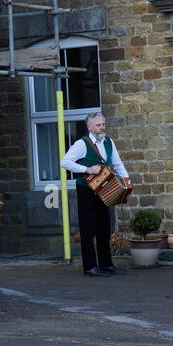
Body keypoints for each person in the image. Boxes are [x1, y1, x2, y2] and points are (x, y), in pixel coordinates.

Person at [60, 112, 129, 277]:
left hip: (104, 188)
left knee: (104, 227)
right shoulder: (81, 144)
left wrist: (127, 180)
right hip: (86, 189)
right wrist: (87, 169)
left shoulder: (109, 142)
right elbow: (64, 162)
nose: (102, 127)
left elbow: (117, 164)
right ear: (90, 127)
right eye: (98, 125)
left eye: (103, 124)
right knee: (88, 228)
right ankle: (90, 267)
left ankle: (107, 265)